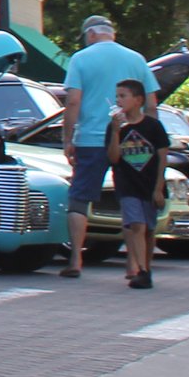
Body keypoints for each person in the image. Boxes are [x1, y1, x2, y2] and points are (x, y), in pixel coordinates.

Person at [58, 16, 154, 278]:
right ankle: (133, 264)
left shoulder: (80, 59)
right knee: (130, 198)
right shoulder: (137, 59)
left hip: (91, 139)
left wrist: (68, 139)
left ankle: (76, 259)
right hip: (131, 140)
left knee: (80, 197)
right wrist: (149, 137)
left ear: (90, 34)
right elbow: (151, 104)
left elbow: (73, 101)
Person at [104, 78, 166, 290]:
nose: (119, 100)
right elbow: (113, 158)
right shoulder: (115, 127)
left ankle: (146, 267)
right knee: (137, 225)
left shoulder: (153, 126)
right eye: (117, 96)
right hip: (126, 184)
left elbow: (162, 157)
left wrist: (159, 188)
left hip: (149, 184)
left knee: (148, 229)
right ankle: (141, 270)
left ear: (138, 100)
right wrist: (115, 131)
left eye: (123, 96)